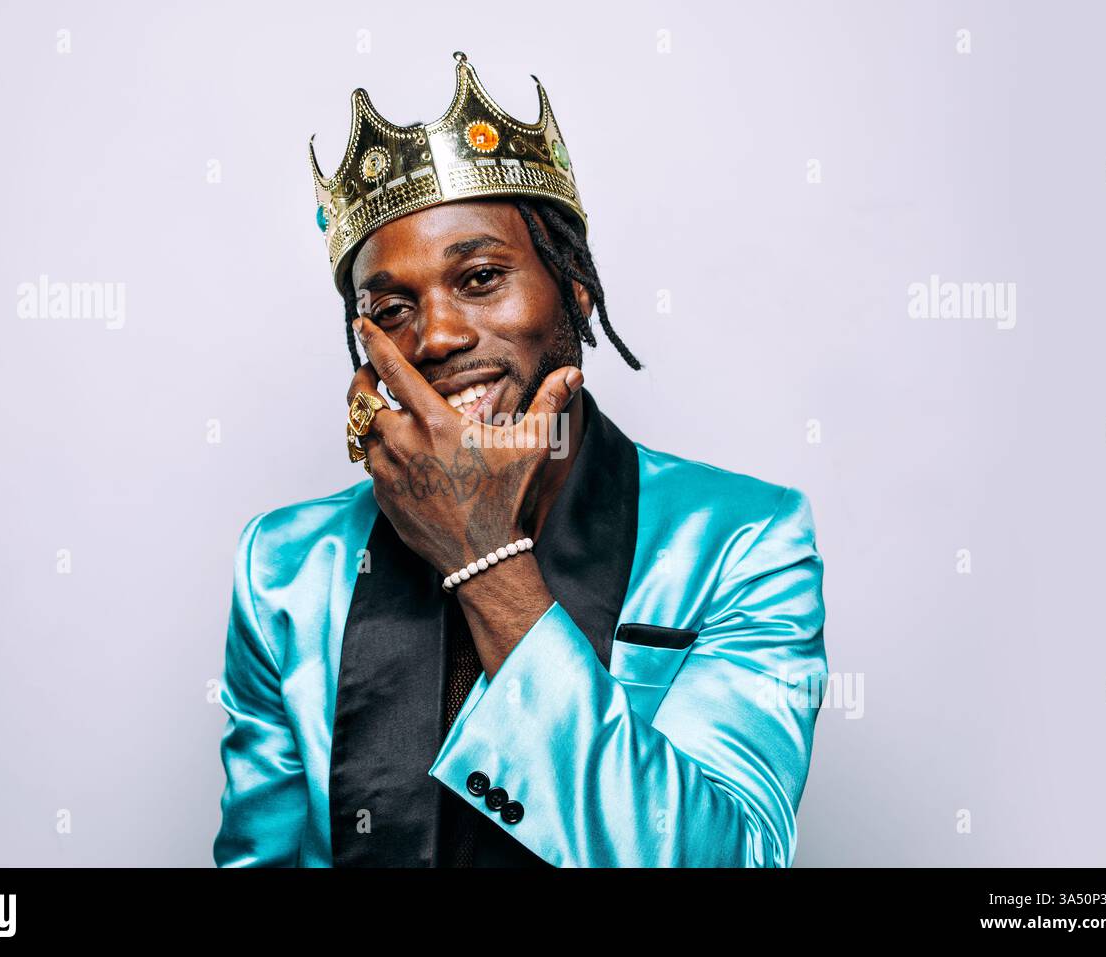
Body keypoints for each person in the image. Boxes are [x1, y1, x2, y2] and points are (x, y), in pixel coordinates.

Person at [212, 51, 827, 867]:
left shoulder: (746, 541)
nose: (435, 337)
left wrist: (483, 558)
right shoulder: (284, 569)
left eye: (480, 277)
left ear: (573, 289)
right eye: (392, 308)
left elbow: (725, 857)